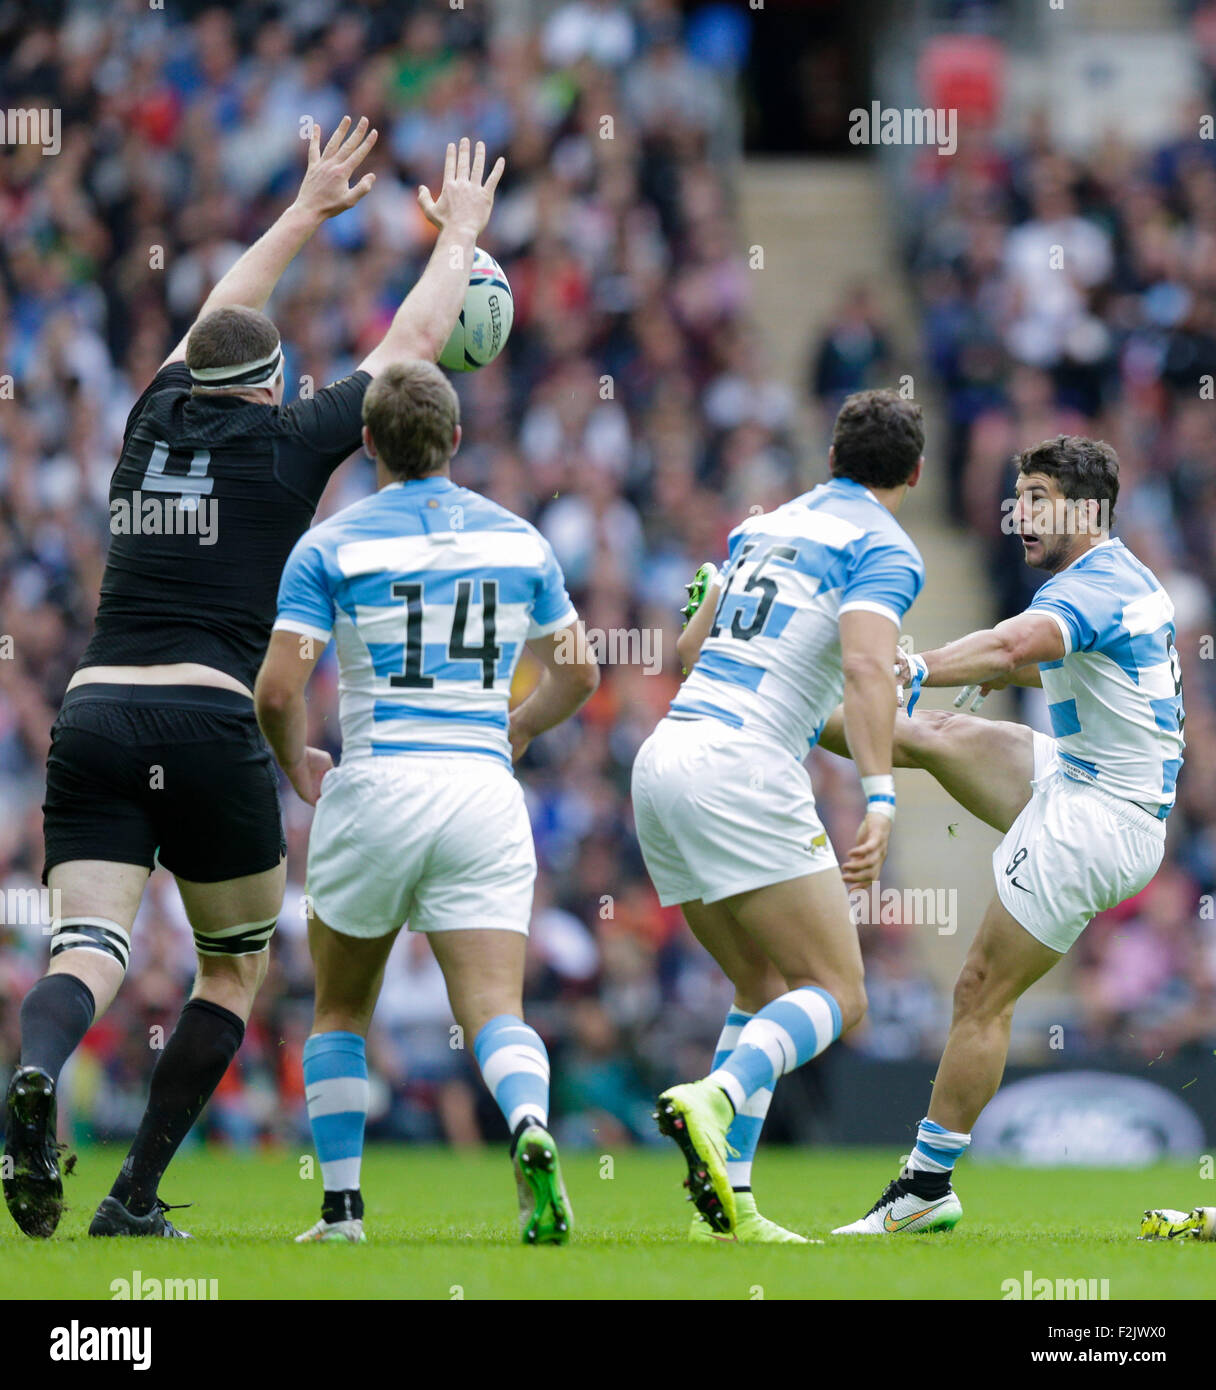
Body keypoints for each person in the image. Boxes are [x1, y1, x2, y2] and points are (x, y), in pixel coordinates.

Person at [3, 124, 504, 1240]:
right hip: (210, 715)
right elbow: (415, 341)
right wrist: (461, 232)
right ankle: (130, 1195)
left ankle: (34, 1074)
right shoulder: (287, 443)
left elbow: (212, 320)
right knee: (230, 975)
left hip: (92, 711)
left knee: (83, 950)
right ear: (273, 382)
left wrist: (304, 208)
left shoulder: (148, 420)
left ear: (193, 375)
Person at [255, 360, 599, 1246]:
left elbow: (276, 695)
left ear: (367, 444)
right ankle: (527, 1127)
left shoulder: (330, 544)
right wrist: (516, 728)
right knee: (495, 1009)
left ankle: (341, 1213)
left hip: (375, 782)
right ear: (454, 440)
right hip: (481, 790)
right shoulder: (521, 540)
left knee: (339, 1010)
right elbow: (581, 674)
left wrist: (298, 769)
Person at [824, 434, 1184, 1233]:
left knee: (979, 990)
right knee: (929, 734)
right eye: (1018, 496)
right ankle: (785, 708)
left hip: (1099, 818)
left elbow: (1020, 641)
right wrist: (996, 669)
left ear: (1087, 511)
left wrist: (914, 665)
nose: (1020, 514)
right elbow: (1053, 662)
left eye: (1041, 501)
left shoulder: (1090, 589)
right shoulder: (1115, 578)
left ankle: (924, 1190)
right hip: (1085, 775)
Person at [632, 389, 926, 1241]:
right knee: (840, 992)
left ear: (831, 458)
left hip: (667, 756)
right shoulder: (885, 544)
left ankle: (729, 1213)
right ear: (913, 473)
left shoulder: (759, 528)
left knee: (761, 985)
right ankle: (715, 1097)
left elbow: (690, 654)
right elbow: (868, 672)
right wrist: (879, 793)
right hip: (742, 768)